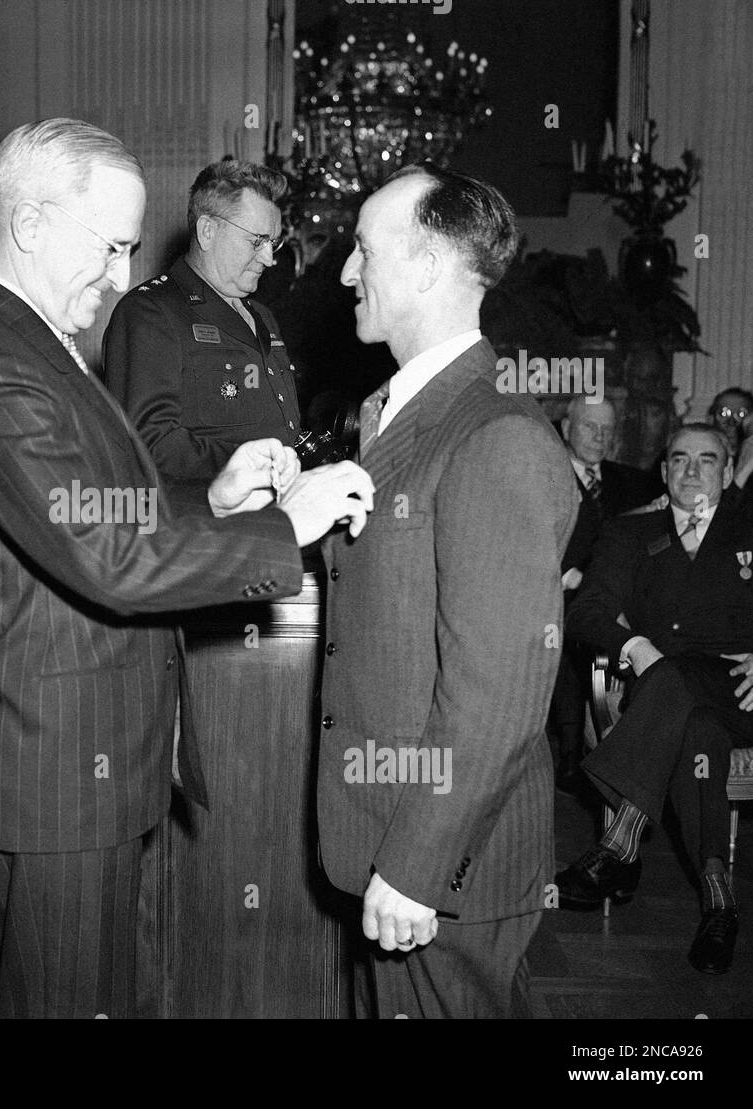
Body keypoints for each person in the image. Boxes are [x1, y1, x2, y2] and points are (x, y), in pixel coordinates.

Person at [0, 117, 374, 1018]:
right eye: (112, 246)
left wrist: (219, 502)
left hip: (66, 760)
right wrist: (285, 524)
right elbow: (110, 560)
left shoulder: (31, 345)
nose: (124, 276)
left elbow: (100, 511)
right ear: (33, 225)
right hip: (50, 772)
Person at [315, 163, 578, 1018]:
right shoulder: (399, 411)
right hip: (395, 836)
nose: (347, 272)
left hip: (442, 866)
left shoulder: (495, 432)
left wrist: (416, 865)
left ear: (427, 266)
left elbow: (498, 696)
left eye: (362, 250)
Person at [557, 424, 753, 975]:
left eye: (707, 460)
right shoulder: (629, 533)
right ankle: (719, 902)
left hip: (741, 692)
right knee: (696, 733)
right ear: (664, 470)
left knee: (675, 685)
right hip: (670, 699)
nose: (692, 472)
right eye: (680, 460)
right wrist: (635, 647)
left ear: (729, 467)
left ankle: (620, 845)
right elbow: (586, 612)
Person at [101, 160, 302, 485]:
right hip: (205, 522)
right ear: (208, 230)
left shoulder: (262, 316)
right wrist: (258, 470)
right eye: (257, 241)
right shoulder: (150, 313)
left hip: (278, 517)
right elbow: (147, 445)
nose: (269, 258)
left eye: (273, 243)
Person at [549, 395, 662, 787]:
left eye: (607, 428)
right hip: (558, 592)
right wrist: (573, 578)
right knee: (571, 627)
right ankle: (570, 751)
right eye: (589, 426)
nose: (600, 436)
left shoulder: (631, 481)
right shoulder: (544, 474)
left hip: (621, 594)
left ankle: (636, 750)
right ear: (566, 429)